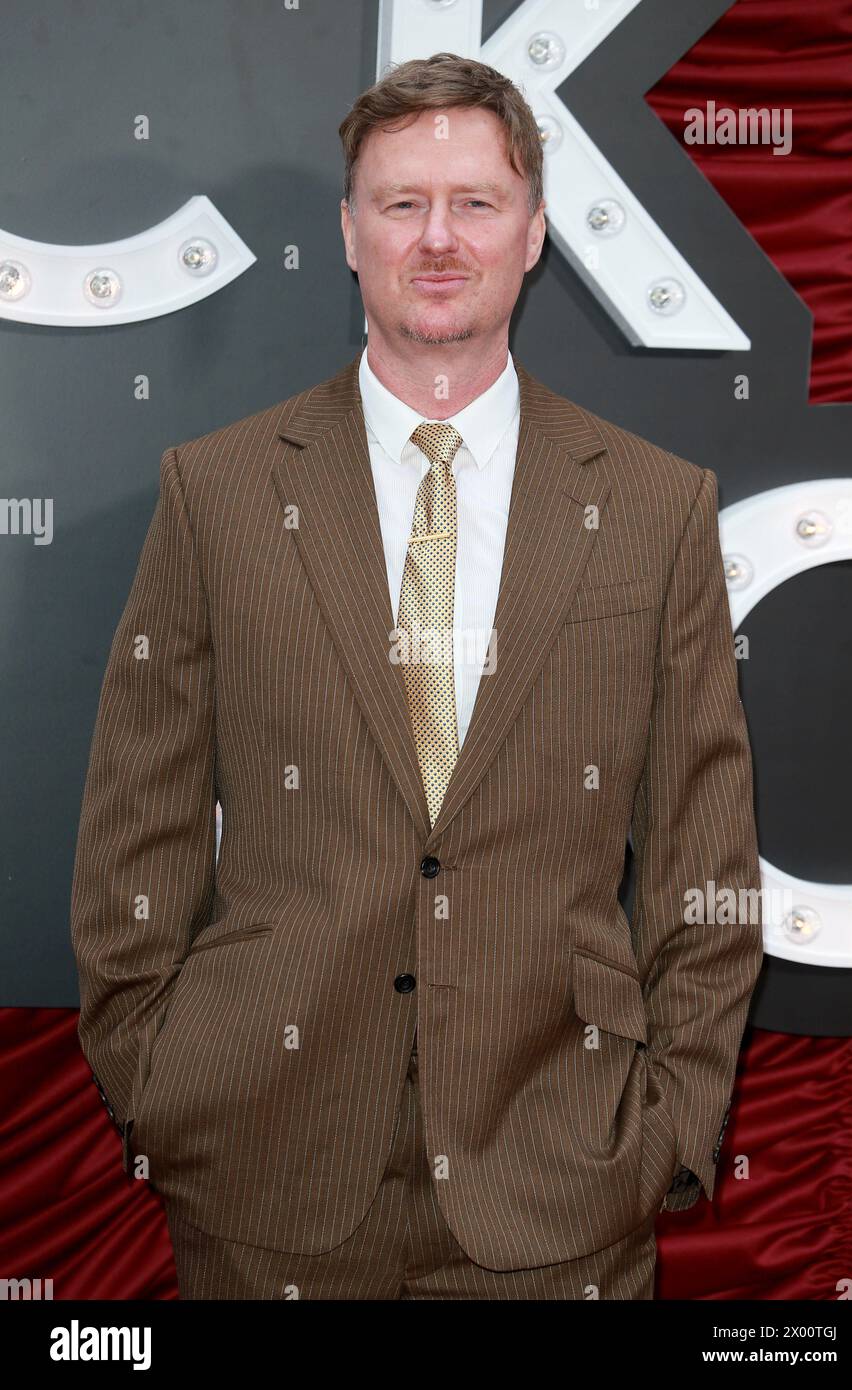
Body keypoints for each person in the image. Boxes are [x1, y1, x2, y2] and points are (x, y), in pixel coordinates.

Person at [71, 52, 763, 1300]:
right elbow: (137, 833)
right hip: (264, 1179)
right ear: (348, 234)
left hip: (559, 1187)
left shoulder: (657, 509)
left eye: (475, 202)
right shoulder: (217, 494)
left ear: (534, 233)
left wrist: (664, 1126)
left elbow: (698, 864)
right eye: (400, 204)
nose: (436, 239)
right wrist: (163, 1084)